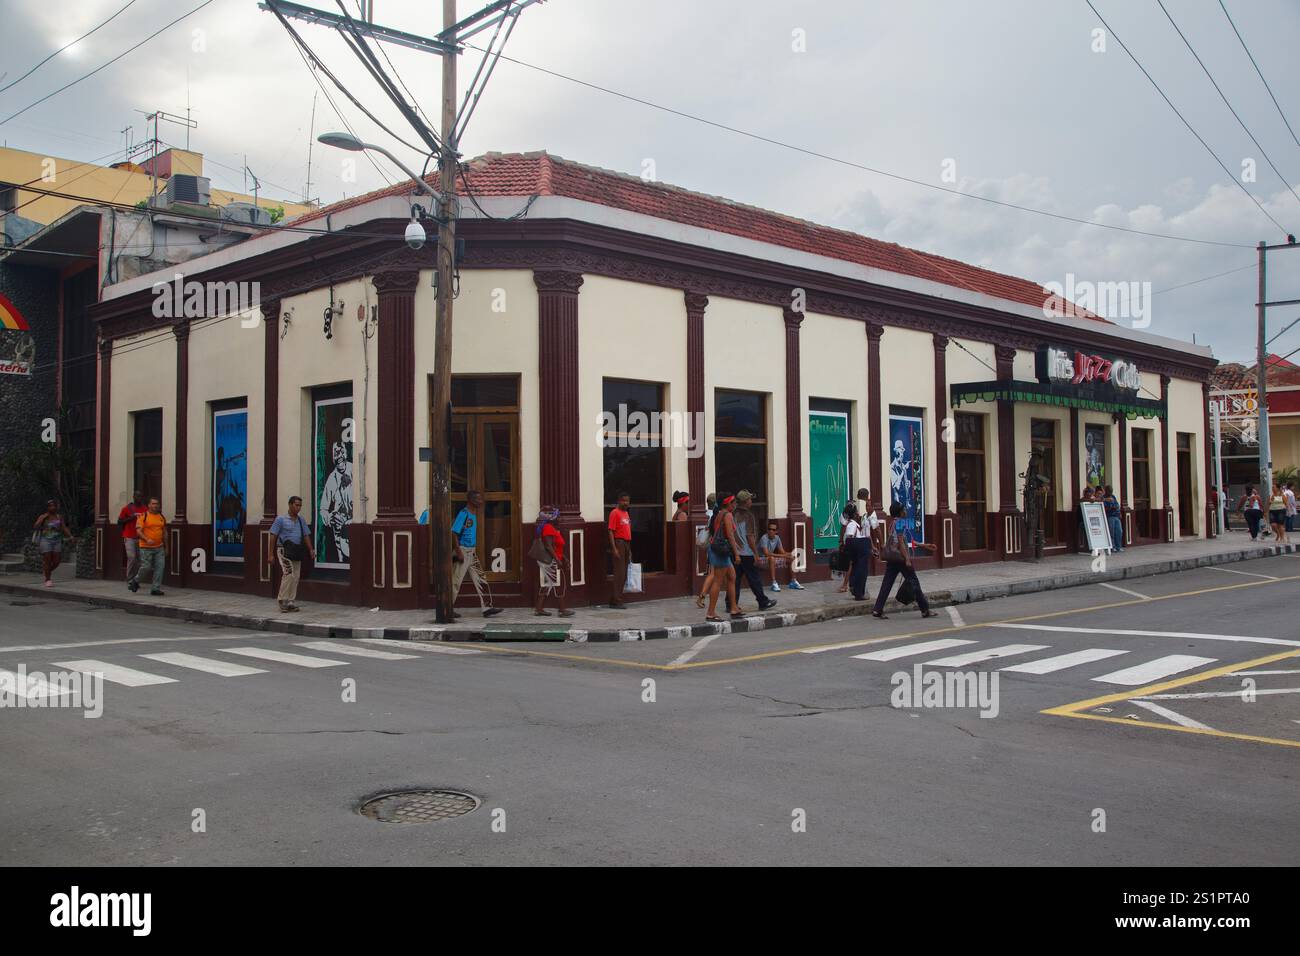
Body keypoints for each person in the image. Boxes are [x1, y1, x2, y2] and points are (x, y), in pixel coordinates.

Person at [872, 501, 939, 620]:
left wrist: (924, 545)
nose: (906, 511)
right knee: (914, 582)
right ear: (900, 512)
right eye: (904, 509)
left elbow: (903, 540)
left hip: (893, 559)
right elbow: (901, 543)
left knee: (886, 584)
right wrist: (907, 559)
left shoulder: (893, 523)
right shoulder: (900, 523)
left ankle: (878, 609)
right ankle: (925, 610)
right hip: (901, 559)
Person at [452, 490, 502, 618]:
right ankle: (447, 608)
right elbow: (454, 533)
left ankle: (487, 608)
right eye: (478, 499)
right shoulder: (463, 514)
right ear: (471, 500)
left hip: (472, 552)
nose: (481, 501)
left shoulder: (474, 514)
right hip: (463, 551)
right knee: (456, 581)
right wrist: (458, 552)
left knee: (481, 579)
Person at [269, 495, 315, 612]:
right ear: (290, 505)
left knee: (296, 576)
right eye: (296, 505)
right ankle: (282, 599)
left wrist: (311, 549)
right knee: (288, 573)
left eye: (300, 505)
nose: (298, 508)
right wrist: (270, 554)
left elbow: (306, 535)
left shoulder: (301, 520)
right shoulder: (280, 520)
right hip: (284, 550)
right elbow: (273, 536)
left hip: (296, 551)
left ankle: (290, 601)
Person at [732, 490, 776, 612]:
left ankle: (730, 603)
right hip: (747, 552)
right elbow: (750, 536)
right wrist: (756, 554)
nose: (751, 501)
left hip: (736, 551)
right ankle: (762, 601)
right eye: (750, 499)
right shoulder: (748, 516)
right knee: (754, 578)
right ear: (746, 501)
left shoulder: (733, 513)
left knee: (735, 579)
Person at [704, 495, 744, 622]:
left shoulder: (721, 513)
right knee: (718, 581)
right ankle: (710, 612)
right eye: (734, 502)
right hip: (720, 551)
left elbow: (721, 533)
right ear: (729, 503)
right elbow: (730, 535)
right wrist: (736, 553)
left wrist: (736, 546)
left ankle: (733, 608)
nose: (736, 504)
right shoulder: (727, 515)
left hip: (718, 549)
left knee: (732, 577)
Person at [532, 506, 573, 617]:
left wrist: (564, 558)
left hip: (552, 560)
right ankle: (562, 610)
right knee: (559, 584)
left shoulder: (552, 528)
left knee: (547, 584)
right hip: (550, 561)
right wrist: (557, 560)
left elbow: (556, 547)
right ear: (551, 517)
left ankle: (539, 609)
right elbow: (549, 546)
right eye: (557, 516)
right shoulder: (548, 528)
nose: (558, 518)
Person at [33, 500, 73, 588]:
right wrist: (42, 519)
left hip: (57, 540)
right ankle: (48, 579)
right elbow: (35, 526)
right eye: (50, 506)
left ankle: (47, 571)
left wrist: (70, 536)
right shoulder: (43, 516)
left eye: (54, 506)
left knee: (56, 561)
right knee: (47, 559)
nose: (52, 508)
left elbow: (63, 527)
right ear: (47, 507)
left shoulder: (59, 517)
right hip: (45, 540)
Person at [133, 497, 168, 596]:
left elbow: (164, 532)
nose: (155, 505)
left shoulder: (161, 517)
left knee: (160, 567)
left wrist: (167, 547)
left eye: (157, 504)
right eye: (153, 503)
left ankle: (155, 588)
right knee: (146, 567)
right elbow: (138, 531)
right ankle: (136, 580)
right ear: (149, 505)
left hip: (159, 547)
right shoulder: (143, 516)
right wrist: (147, 539)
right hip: (145, 547)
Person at [757, 519, 804, 592]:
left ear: (776, 531)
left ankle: (793, 581)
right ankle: (774, 583)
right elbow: (766, 553)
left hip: (770, 559)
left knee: (791, 559)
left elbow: (782, 552)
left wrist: (792, 554)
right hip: (760, 560)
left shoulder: (777, 538)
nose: (771, 531)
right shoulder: (764, 538)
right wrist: (784, 556)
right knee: (772, 558)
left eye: (773, 529)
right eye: (769, 529)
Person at [117, 490, 149, 590]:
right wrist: (131, 518)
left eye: (141, 496)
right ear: (134, 497)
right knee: (131, 557)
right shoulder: (127, 508)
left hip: (140, 537)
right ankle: (130, 579)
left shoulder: (145, 509)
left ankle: (136, 580)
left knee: (140, 560)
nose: (139, 498)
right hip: (129, 536)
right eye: (137, 496)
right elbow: (120, 521)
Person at [606, 491, 633, 609]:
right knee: (619, 573)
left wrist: (629, 549)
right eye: (624, 500)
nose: (626, 503)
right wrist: (614, 548)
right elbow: (610, 531)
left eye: (628, 501)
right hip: (619, 543)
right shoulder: (614, 513)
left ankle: (614, 599)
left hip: (626, 544)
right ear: (619, 500)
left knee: (624, 573)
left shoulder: (626, 513)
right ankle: (617, 600)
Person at [1101, 485, 1123, 552]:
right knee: (1111, 532)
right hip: (1110, 516)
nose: (1110, 492)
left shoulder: (1113, 496)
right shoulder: (1103, 498)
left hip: (1116, 516)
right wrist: (1111, 507)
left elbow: (1117, 505)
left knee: (1119, 531)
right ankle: (1112, 547)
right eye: (1109, 491)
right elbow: (1104, 507)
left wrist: (1119, 513)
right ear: (1106, 491)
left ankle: (1118, 546)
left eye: (1111, 491)